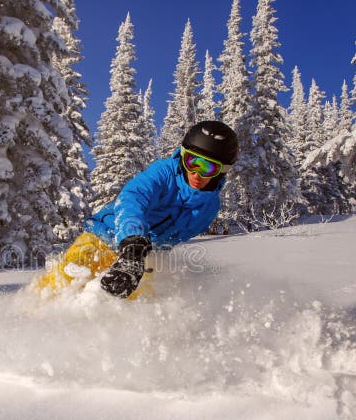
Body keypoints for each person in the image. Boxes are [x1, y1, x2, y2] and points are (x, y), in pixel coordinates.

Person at [35, 120, 239, 299]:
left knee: (138, 300)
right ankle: (35, 313)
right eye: (192, 162)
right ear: (183, 157)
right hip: (104, 237)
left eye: (208, 167)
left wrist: (143, 257)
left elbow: (173, 239)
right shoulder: (163, 172)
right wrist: (132, 243)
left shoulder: (209, 209)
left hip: (144, 256)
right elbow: (132, 198)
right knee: (66, 279)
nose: (196, 173)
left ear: (222, 171)